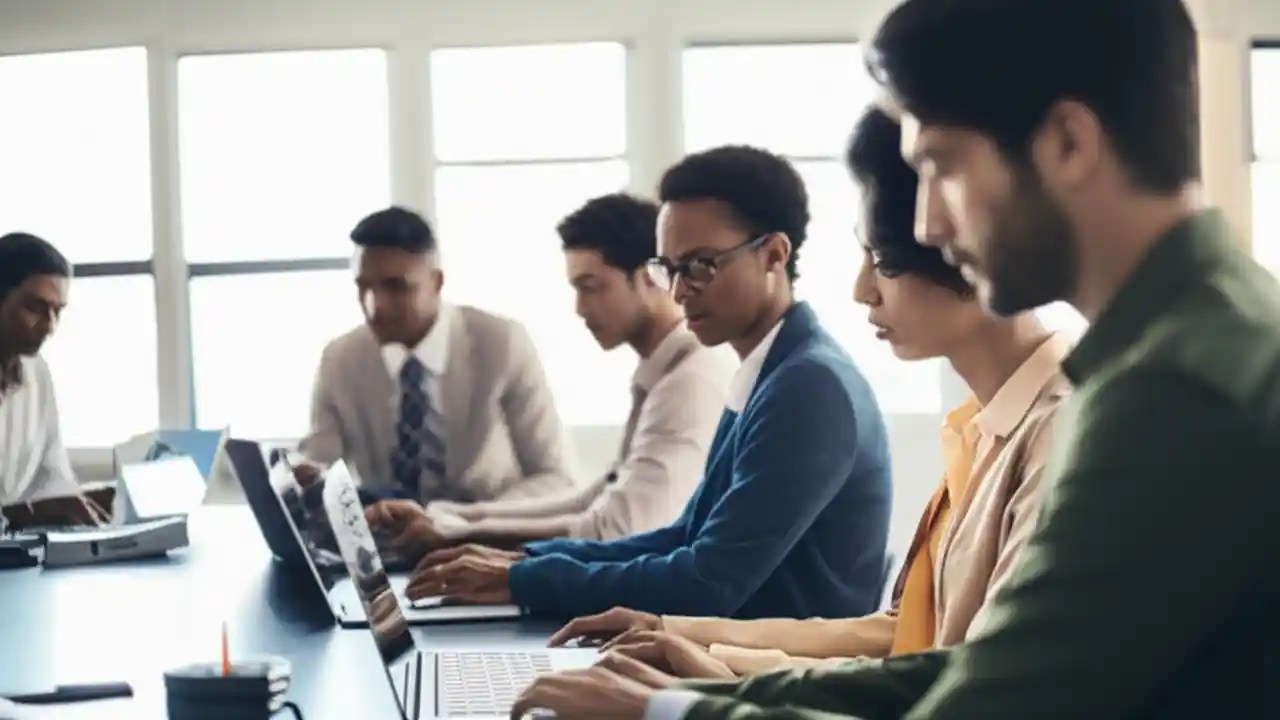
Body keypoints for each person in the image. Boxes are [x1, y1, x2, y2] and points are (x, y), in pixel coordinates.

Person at [511, 1, 1280, 718]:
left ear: (1068, 144)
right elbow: (982, 666)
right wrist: (699, 686)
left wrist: (669, 710)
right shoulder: (1210, 331)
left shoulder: (1173, 389)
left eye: (942, 165)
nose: (928, 221)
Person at [546, 106, 1070, 681]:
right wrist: (690, 643)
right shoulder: (979, 424)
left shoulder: (1057, 432)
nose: (861, 290)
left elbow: (975, 683)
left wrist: (698, 691)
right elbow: (907, 633)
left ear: (973, 245)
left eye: (886, 261)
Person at [406, 146, 893, 622]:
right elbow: (685, 536)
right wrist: (526, 563)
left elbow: (708, 581)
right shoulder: (771, 370)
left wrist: (525, 579)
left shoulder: (808, 387)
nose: (680, 292)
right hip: (728, 656)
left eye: (701, 266)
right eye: (671, 270)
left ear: (773, 255)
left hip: (773, 681)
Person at [365, 194, 733, 555]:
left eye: (591, 288)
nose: (579, 308)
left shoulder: (690, 382)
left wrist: (454, 537)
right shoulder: (661, 374)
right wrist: (445, 519)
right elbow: (591, 503)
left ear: (650, 278)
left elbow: (614, 529)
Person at [298, 207, 576, 506]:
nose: (374, 306)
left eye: (396, 287)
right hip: (387, 538)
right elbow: (317, 463)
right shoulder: (340, 359)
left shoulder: (502, 344)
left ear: (437, 282)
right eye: (363, 287)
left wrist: (462, 523)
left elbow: (555, 478)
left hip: (488, 537)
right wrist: (302, 477)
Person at [0, 232, 109, 530]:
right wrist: (24, 513)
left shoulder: (37, 373)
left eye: (57, 311)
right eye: (34, 308)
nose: (50, 327)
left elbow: (50, 472)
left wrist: (79, 501)